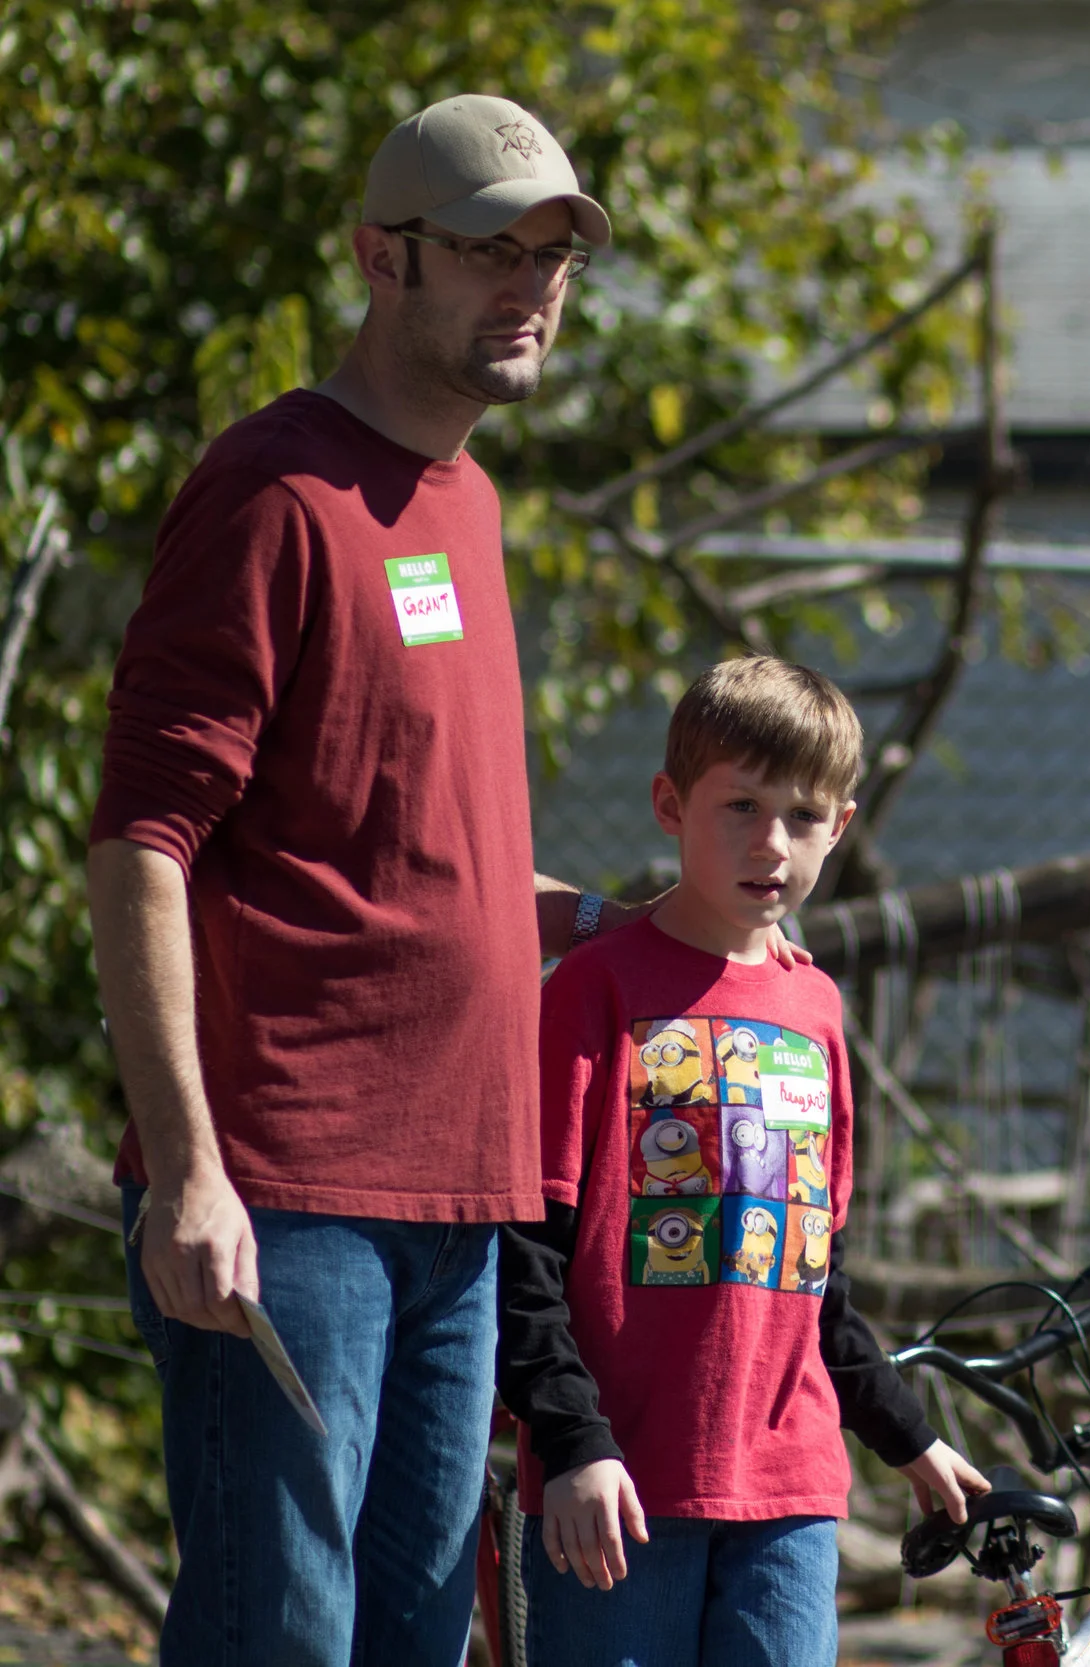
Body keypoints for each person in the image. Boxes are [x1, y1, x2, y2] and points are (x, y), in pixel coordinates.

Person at [86, 95, 746, 1662]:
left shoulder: (469, 500)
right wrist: (190, 1169)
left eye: (556, 255)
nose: (532, 285)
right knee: (283, 1640)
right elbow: (141, 844)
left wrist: (612, 923)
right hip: (287, 1200)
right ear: (384, 258)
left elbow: (401, 858)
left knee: (416, 1644)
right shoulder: (272, 490)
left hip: (464, 1203)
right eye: (491, 251)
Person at [497, 655, 989, 1666]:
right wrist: (574, 1443)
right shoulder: (592, 991)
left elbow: (817, 1271)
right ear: (671, 805)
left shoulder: (816, 1008)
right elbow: (523, 1250)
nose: (772, 842)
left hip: (788, 1491)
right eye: (741, 805)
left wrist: (909, 1435)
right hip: (620, 1488)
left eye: (804, 815)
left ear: (841, 826)